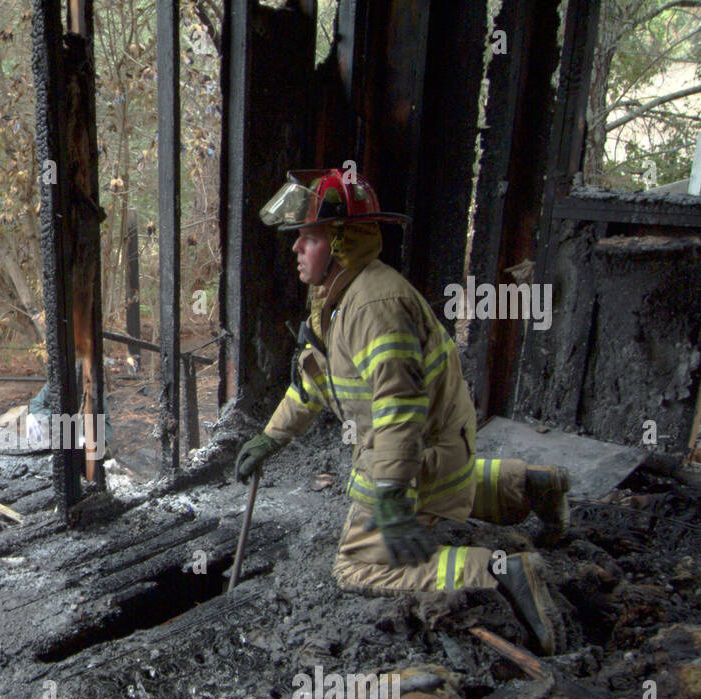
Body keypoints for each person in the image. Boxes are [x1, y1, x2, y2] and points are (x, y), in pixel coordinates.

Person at [235, 168, 571, 654]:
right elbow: (314, 384)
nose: (295, 250)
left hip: (413, 450)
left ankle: (501, 571)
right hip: (435, 453)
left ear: (341, 241)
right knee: (440, 490)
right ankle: (530, 484)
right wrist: (272, 437)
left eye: (307, 238)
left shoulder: (374, 306)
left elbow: (399, 412)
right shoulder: (338, 296)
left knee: (359, 566)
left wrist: (390, 493)